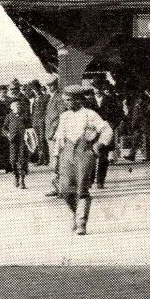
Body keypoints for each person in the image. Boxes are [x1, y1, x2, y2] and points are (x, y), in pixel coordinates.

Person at [52, 86, 113, 234]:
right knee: (65, 189)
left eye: (69, 100)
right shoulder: (64, 116)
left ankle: (81, 223)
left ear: (78, 99)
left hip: (84, 153)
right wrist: (55, 157)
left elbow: (107, 130)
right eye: (65, 100)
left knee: (82, 188)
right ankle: (76, 212)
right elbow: (59, 138)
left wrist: (98, 145)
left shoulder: (89, 114)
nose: (67, 103)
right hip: (67, 153)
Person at [2, 98, 30, 188]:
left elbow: (30, 127)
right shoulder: (9, 116)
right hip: (13, 141)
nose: (17, 107)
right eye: (14, 105)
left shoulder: (25, 116)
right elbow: (4, 128)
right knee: (13, 160)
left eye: (18, 105)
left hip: (23, 140)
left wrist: (28, 134)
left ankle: (22, 180)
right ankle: (16, 176)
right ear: (11, 107)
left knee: (22, 159)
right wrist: (7, 134)